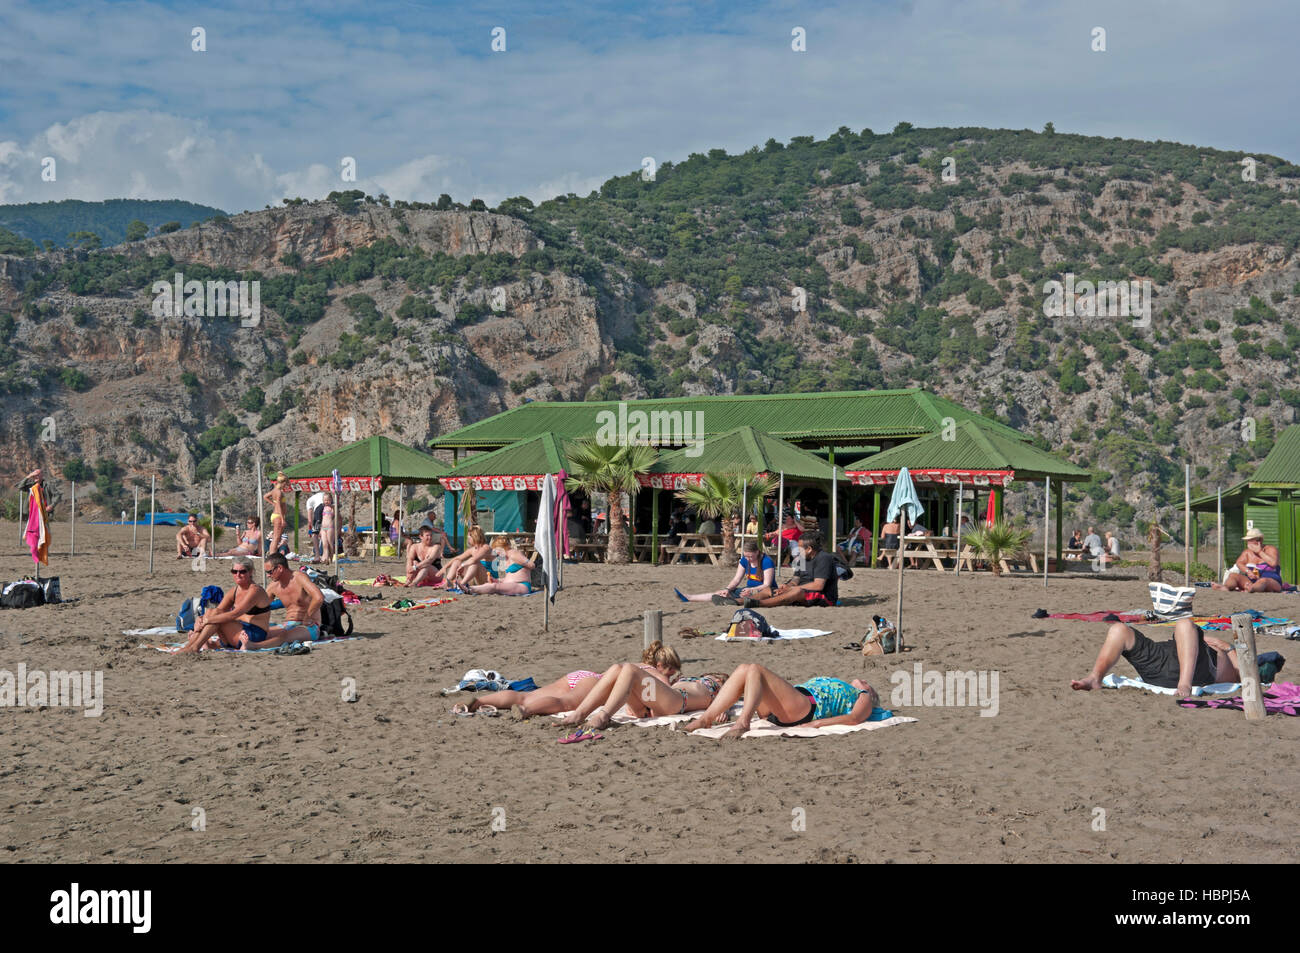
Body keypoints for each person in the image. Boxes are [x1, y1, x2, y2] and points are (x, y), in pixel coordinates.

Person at [680, 663, 882, 738]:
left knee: (755, 670)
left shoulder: (861, 697)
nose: (863, 681)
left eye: (867, 684)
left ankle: (743, 722)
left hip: (807, 707)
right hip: (788, 705)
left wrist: (817, 724)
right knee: (745, 669)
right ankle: (706, 719)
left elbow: (855, 718)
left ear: (870, 694)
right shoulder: (848, 687)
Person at [559, 642, 726, 732]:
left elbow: (724, 699)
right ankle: (580, 713)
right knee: (618, 668)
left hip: (677, 701)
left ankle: (602, 716)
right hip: (663, 702)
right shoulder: (698, 681)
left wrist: (721, 709)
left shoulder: (716, 686)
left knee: (630, 669)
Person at [1070, 619, 1240, 698]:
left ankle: (1184, 684)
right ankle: (1095, 678)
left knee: (1184, 623)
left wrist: (1228, 647)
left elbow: (1242, 674)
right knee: (1119, 629)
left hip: (1196, 669)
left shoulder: (1227, 658)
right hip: (1162, 660)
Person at [175, 557, 272, 653]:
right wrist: (201, 618)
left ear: (250, 572)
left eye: (242, 571)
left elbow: (234, 614)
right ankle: (190, 645)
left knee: (213, 615)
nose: (238, 575)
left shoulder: (255, 590)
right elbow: (218, 610)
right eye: (234, 571)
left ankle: (195, 647)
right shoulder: (234, 591)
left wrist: (207, 620)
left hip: (254, 634)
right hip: (237, 631)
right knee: (211, 612)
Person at [743, 530, 837, 608]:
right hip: (800, 590)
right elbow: (796, 578)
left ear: (809, 549)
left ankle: (760, 603)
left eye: (800, 548)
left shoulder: (824, 558)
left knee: (796, 591)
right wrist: (787, 586)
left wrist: (792, 588)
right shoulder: (803, 558)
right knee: (770, 589)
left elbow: (818, 585)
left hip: (823, 597)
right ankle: (740, 601)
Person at [461, 668, 605, 717]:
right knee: (566, 703)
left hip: (581, 675)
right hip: (595, 681)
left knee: (526, 696)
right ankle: (526, 710)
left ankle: (480, 702)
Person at [675, 538, 776, 604]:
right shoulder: (744, 560)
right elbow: (736, 580)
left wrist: (752, 590)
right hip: (747, 590)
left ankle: (732, 601)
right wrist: (727, 589)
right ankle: (689, 597)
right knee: (721, 593)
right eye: (746, 556)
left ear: (757, 552)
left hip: (763, 591)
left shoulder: (766, 561)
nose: (748, 559)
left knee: (746, 596)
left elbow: (767, 584)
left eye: (751, 556)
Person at [260, 554, 325, 647]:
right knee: (261, 634)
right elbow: (261, 608)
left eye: (269, 572)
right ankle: (253, 643)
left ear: (280, 568)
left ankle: (254, 646)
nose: (268, 576)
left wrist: (307, 616)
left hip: (309, 626)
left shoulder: (299, 577)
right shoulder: (273, 586)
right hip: (287, 624)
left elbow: (319, 597)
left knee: (284, 637)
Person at [1215, 528, 1284, 592]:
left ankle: (1252, 588)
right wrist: (1248, 571)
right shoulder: (1247, 552)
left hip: (1271, 580)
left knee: (1263, 580)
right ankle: (1226, 587)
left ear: (1259, 540)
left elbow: (1273, 563)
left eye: (1251, 540)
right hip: (1252, 580)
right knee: (1233, 575)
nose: (1248, 543)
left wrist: (1259, 552)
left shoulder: (1270, 549)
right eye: (1248, 541)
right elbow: (1239, 563)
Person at [465, 536, 536, 595]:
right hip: (508, 584)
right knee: (493, 585)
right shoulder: (502, 560)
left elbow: (532, 565)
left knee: (494, 586)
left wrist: (518, 562)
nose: (495, 554)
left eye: (496, 551)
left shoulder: (513, 554)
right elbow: (502, 579)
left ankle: (470, 589)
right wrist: (496, 580)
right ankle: (469, 588)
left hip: (521, 585)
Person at [263, 471, 289, 555]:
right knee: (276, 538)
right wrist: (282, 519)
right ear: (283, 482)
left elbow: (265, 496)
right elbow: (278, 503)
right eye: (286, 483)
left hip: (275, 515)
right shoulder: (279, 492)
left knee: (276, 537)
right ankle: (272, 554)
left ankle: (271, 554)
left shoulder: (274, 490)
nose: (286, 485)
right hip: (278, 515)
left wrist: (272, 503)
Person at [317, 491, 337, 564]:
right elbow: (321, 518)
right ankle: (325, 558)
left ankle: (331, 557)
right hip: (323, 528)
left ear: (331, 500)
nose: (326, 501)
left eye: (328, 500)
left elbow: (335, 515)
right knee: (324, 544)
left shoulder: (332, 508)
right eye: (325, 500)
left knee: (330, 543)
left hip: (330, 527)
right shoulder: (323, 507)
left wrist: (334, 507)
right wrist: (319, 530)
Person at [304, 490, 326, 559]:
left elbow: (310, 519)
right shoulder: (325, 494)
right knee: (326, 532)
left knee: (315, 534)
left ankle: (317, 555)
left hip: (319, 509)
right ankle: (326, 555)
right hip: (329, 508)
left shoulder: (310, 500)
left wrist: (311, 527)